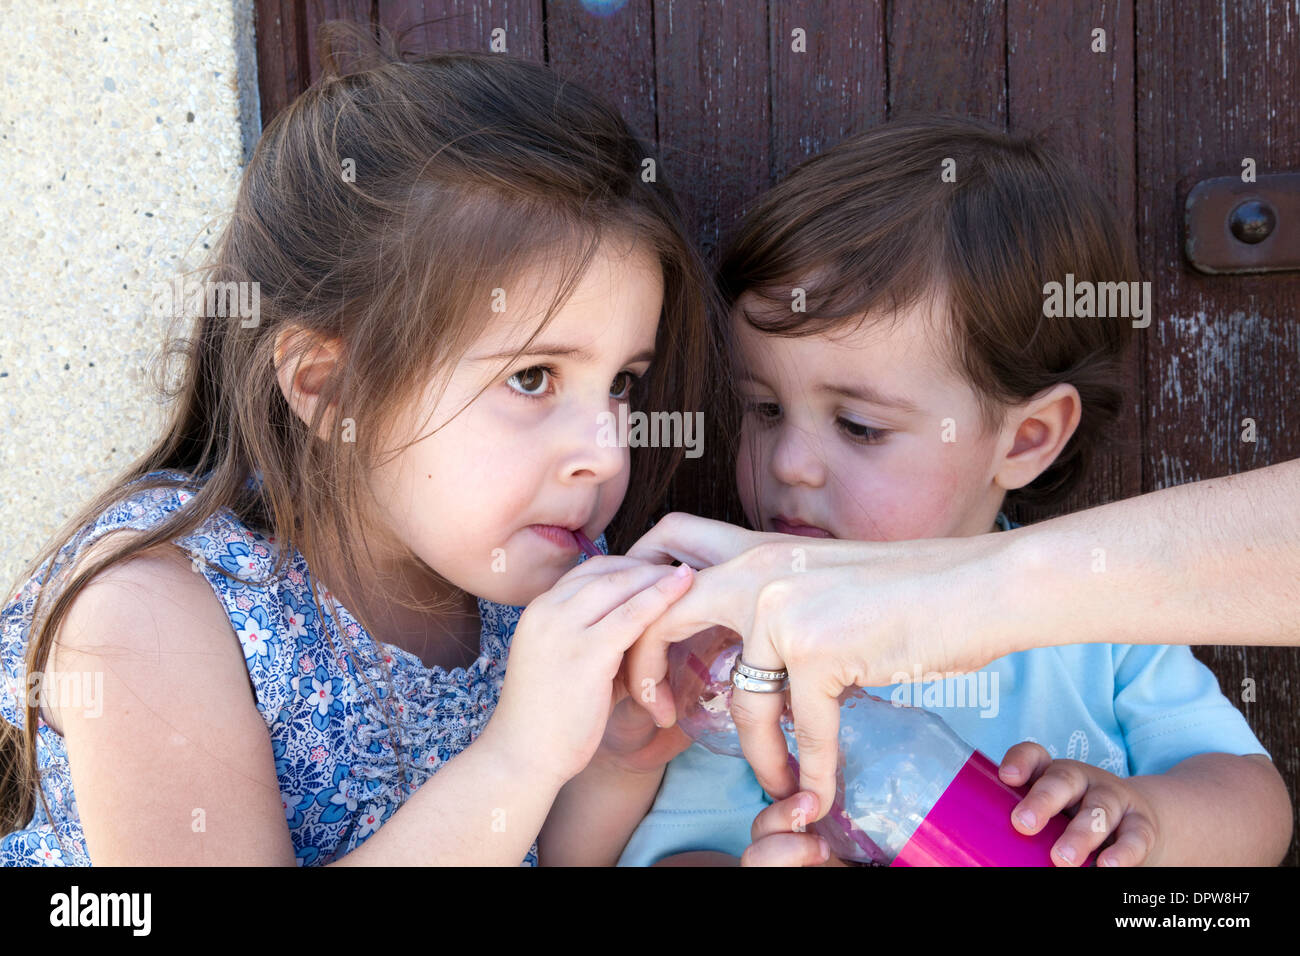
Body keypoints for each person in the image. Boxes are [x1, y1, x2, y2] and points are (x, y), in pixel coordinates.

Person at [0, 21, 714, 866]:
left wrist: (611, 757)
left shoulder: (525, 579)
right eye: (532, 379)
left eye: (622, 384)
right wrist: (521, 756)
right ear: (325, 386)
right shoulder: (155, 617)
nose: (604, 452)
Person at [617, 116, 1293, 866]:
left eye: (861, 426)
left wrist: (1149, 818)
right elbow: (674, 846)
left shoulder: (1100, 612)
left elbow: (1256, 806)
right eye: (766, 410)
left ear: (1026, 439)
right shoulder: (742, 644)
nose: (790, 464)